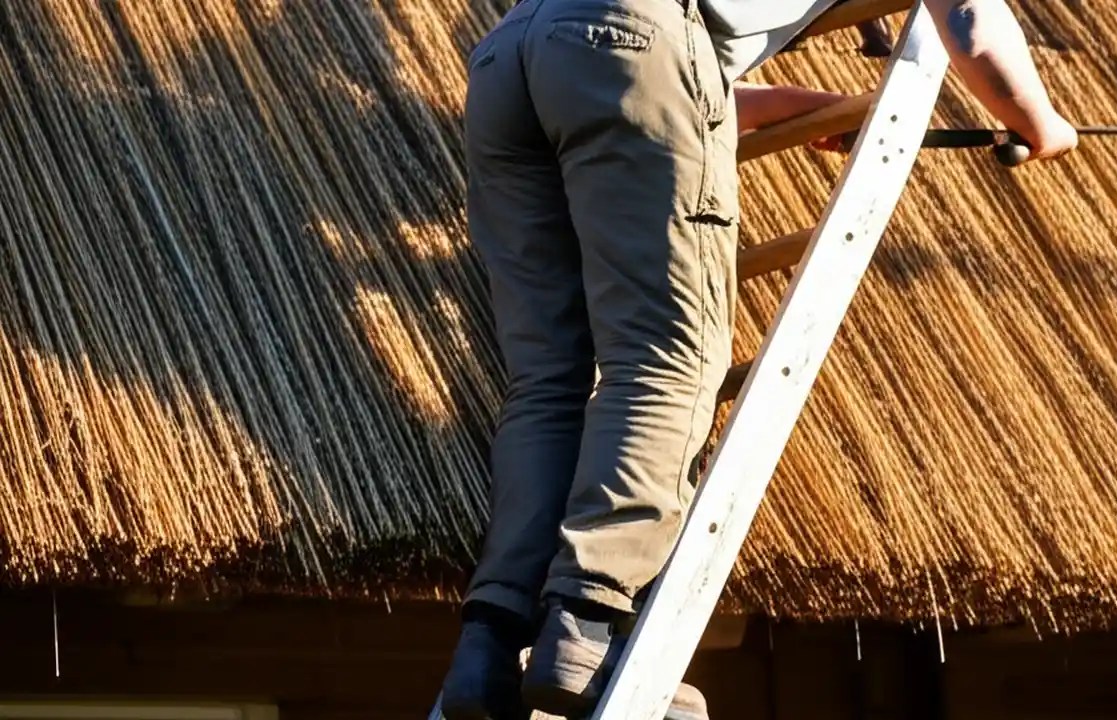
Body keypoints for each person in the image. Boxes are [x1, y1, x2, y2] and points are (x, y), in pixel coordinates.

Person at [440, 0, 1077, 718]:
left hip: (509, 59)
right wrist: (1041, 122)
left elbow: (621, 59)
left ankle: (488, 650)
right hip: (629, 41)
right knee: (665, 358)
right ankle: (585, 625)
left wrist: (799, 108)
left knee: (548, 381)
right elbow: (971, 22)